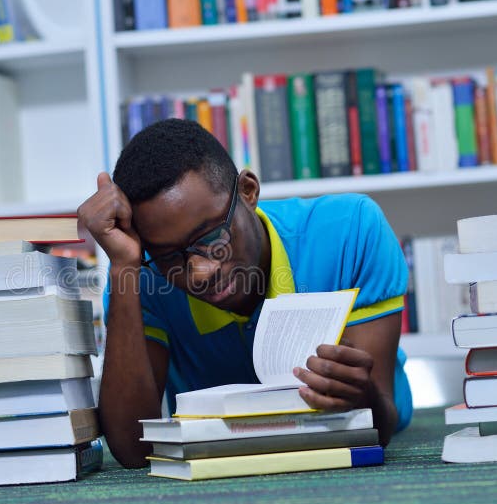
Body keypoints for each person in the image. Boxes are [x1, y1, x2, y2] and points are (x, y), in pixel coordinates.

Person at [78, 119, 412, 468]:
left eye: (212, 238)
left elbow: (381, 423)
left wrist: (365, 398)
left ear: (249, 191)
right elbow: (133, 452)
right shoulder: (138, 274)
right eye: (168, 257)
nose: (200, 272)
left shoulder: (351, 230)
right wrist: (122, 268)